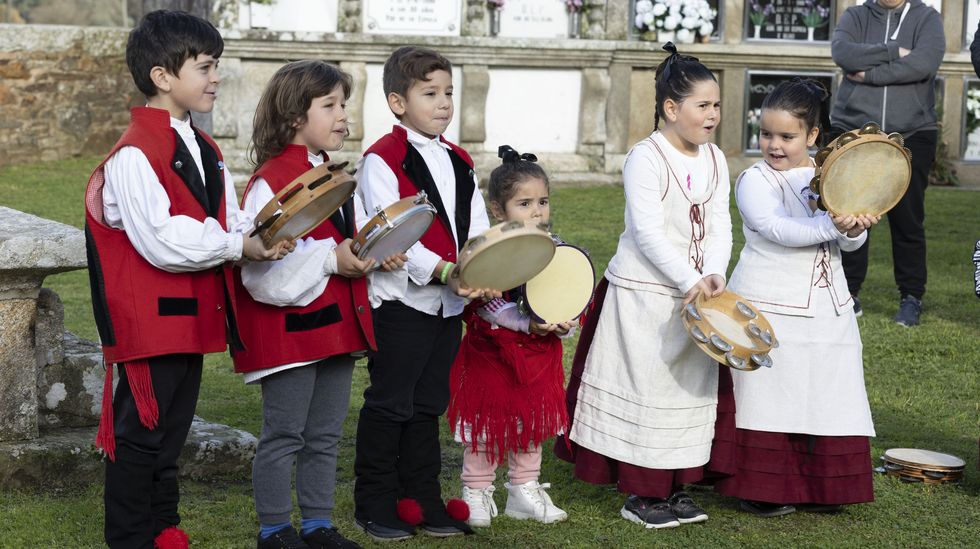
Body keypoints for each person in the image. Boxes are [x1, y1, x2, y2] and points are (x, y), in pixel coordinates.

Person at [83, 10, 290, 549]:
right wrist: (237, 245)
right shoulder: (134, 152)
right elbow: (163, 238)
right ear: (162, 76)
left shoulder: (204, 146)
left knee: (169, 436)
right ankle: (131, 538)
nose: (215, 77)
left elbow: (226, 218)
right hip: (150, 324)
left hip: (191, 319)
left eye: (215, 65)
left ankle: (163, 530)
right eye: (205, 66)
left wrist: (264, 234)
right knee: (141, 436)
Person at [555, 42, 735, 530]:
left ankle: (676, 486)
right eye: (703, 105)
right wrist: (688, 278)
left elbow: (721, 223)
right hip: (644, 295)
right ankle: (641, 491)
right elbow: (647, 231)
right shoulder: (646, 157)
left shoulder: (716, 159)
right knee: (646, 387)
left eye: (717, 105)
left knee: (685, 393)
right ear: (671, 109)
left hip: (698, 297)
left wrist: (715, 271)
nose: (713, 114)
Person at [232, 60, 405, 549]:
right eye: (329, 105)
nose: (341, 115)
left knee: (325, 433)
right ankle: (274, 528)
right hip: (291, 328)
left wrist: (370, 253)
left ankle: (317, 523)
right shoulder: (272, 179)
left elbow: (337, 242)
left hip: (334, 323)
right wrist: (334, 258)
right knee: (285, 433)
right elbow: (267, 263)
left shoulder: (327, 169)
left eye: (343, 104)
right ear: (293, 116)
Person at [713, 78, 878, 517]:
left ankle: (823, 487)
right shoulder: (754, 180)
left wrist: (855, 230)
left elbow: (847, 245)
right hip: (768, 302)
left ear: (812, 136)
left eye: (787, 136)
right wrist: (835, 225)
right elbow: (777, 228)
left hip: (829, 304)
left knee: (827, 389)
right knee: (770, 392)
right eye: (766, 133)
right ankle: (763, 486)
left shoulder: (832, 175)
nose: (774, 144)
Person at [352, 45, 497, 541]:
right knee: (391, 401)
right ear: (397, 102)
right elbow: (387, 232)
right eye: (429, 93)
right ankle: (374, 501)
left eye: (448, 93)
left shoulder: (459, 159)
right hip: (402, 300)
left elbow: (475, 226)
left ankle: (421, 499)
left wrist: (478, 265)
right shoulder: (382, 158)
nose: (442, 103)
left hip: (446, 305)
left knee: (429, 402)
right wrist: (443, 271)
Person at [448, 146, 573, 528]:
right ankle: (476, 489)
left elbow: (564, 290)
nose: (537, 211)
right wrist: (522, 323)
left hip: (538, 358)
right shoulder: (487, 249)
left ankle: (523, 488)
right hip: (494, 355)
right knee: (487, 425)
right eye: (525, 203)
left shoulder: (554, 249)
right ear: (499, 210)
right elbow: (483, 301)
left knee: (531, 424)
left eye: (543, 201)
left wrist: (563, 318)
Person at [830, 0, 945, 326]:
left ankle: (911, 297)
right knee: (849, 213)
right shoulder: (855, 15)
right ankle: (848, 293)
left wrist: (868, 75)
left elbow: (923, 64)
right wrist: (896, 51)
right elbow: (843, 53)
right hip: (853, 127)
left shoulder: (927, 18)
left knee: (908, 219)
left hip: (912, 130)